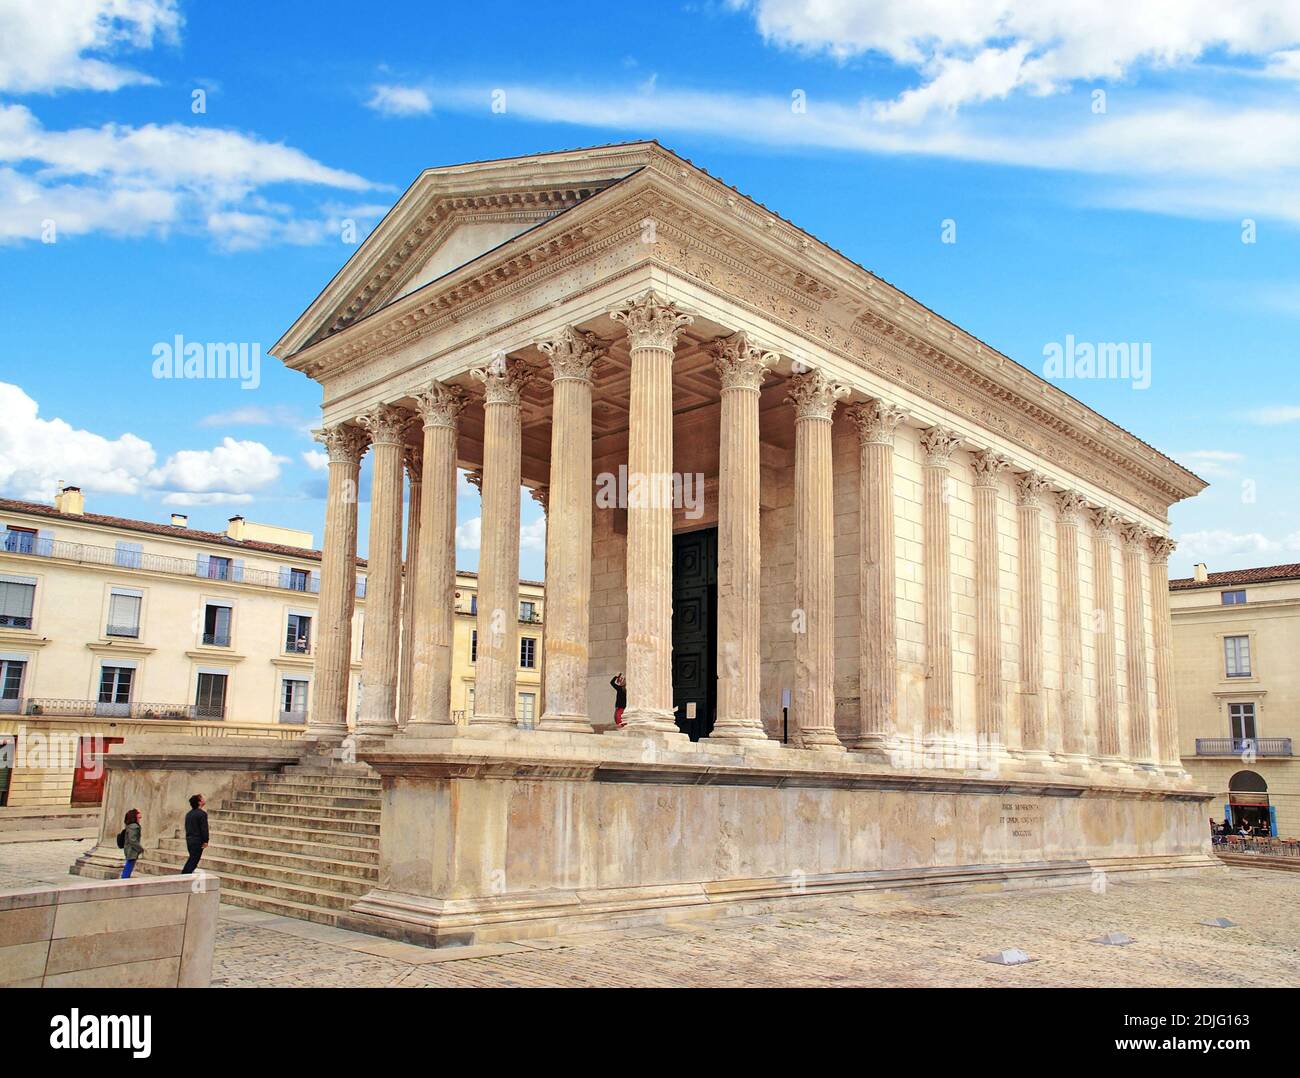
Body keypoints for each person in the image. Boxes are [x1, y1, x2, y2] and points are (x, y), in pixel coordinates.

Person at [181, 793, 208, 874]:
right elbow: (204, 829)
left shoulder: (188, 814)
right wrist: (205, 840)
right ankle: (184, 875)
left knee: (193, 859)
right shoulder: (202, 814)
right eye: (202, 798)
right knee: (193, 860)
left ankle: (187, 874)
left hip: (190, 840)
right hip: (197, 840)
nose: (204, 799)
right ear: (199, 802)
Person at [120, 808, 143, 879]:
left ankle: (125, 878)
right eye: (138, 817)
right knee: (129, 865)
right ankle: (124, 879)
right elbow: (133, 840)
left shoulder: (130, 826)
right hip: (132, 850)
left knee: (129, 864)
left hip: (129, 849)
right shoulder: (134, 827)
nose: (140, 818)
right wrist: (140, 849)